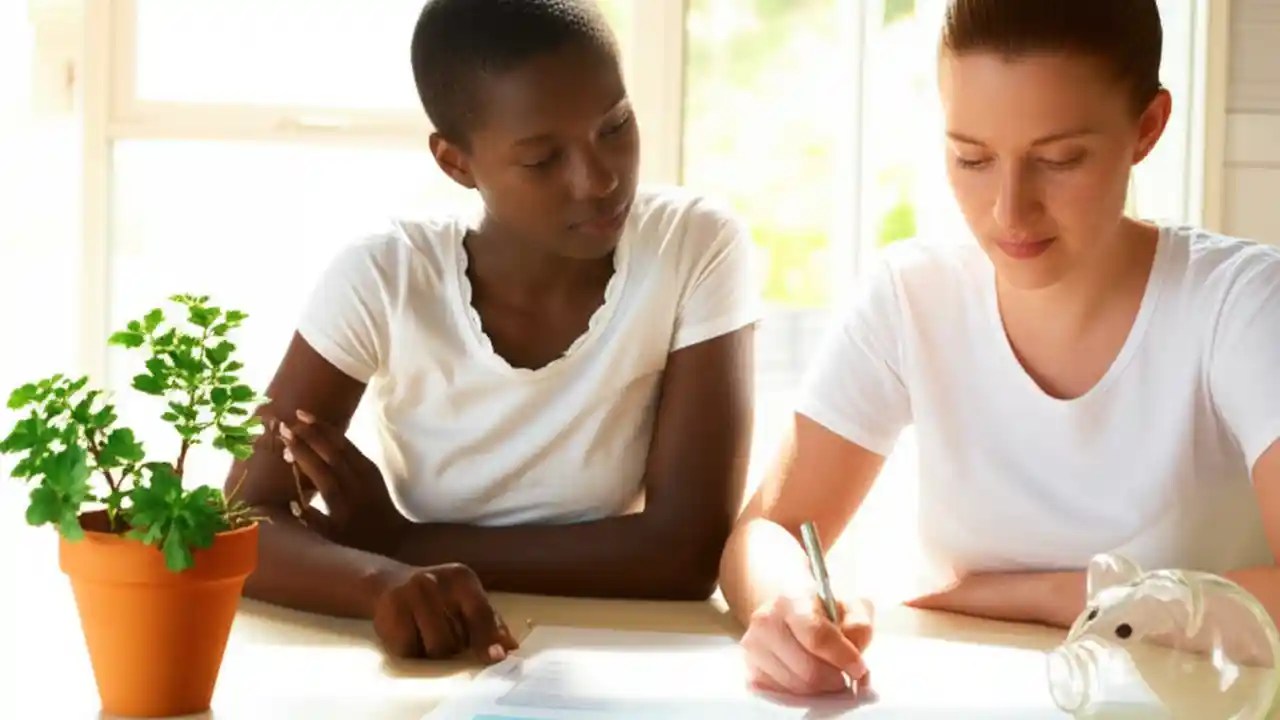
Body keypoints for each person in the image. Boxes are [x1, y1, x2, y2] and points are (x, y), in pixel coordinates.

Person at [720, 0, 1280, 697]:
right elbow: (767, 532)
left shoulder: (1241, 302)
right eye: (972, 157)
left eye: (1059, 159)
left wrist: (1058, 596)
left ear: (1147, 128)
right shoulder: (912, 295)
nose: (1009, 211)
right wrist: (789, 606)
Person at [231, 0, 757, 664]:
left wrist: (405, 544)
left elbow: (686, 554)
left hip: (619, 650)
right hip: (442, 651)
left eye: (616, 126)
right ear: (455, 163)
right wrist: (376, 584)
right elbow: (243, 520)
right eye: (542, 159)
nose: (600, 179)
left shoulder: (694, 245)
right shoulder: (386, 277)